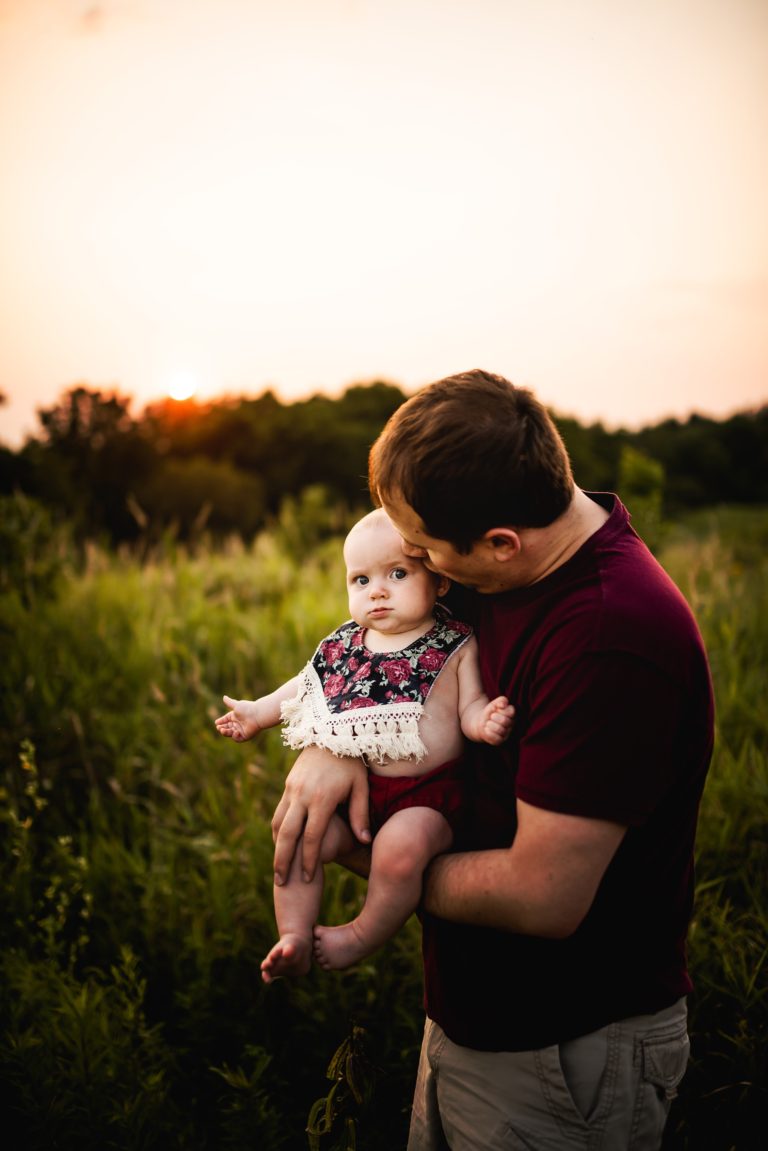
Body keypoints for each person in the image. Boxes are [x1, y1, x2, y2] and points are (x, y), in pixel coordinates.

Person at [269, 370, 715, 1150]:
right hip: (471, 1019)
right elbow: (387, 649)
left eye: (424, 550)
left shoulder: (610, 636)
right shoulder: (499, 557)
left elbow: (543, 894)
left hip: (564, 1054)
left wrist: (380, 861)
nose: (415, 561)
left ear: (500, 543)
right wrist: (330, 743)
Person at [215, 508, 513, 984]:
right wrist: (256, 712)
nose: (377, 591)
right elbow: (304, 686)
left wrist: (483, 721)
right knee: (301, 833)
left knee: (400, 848)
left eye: (398, 574)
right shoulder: (346, 644)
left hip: (425, 797)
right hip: (360, 794)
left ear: (439, 582)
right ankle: (293, 935)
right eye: (361, 580)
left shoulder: (454, 642)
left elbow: (469, 705)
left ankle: (361, 934)